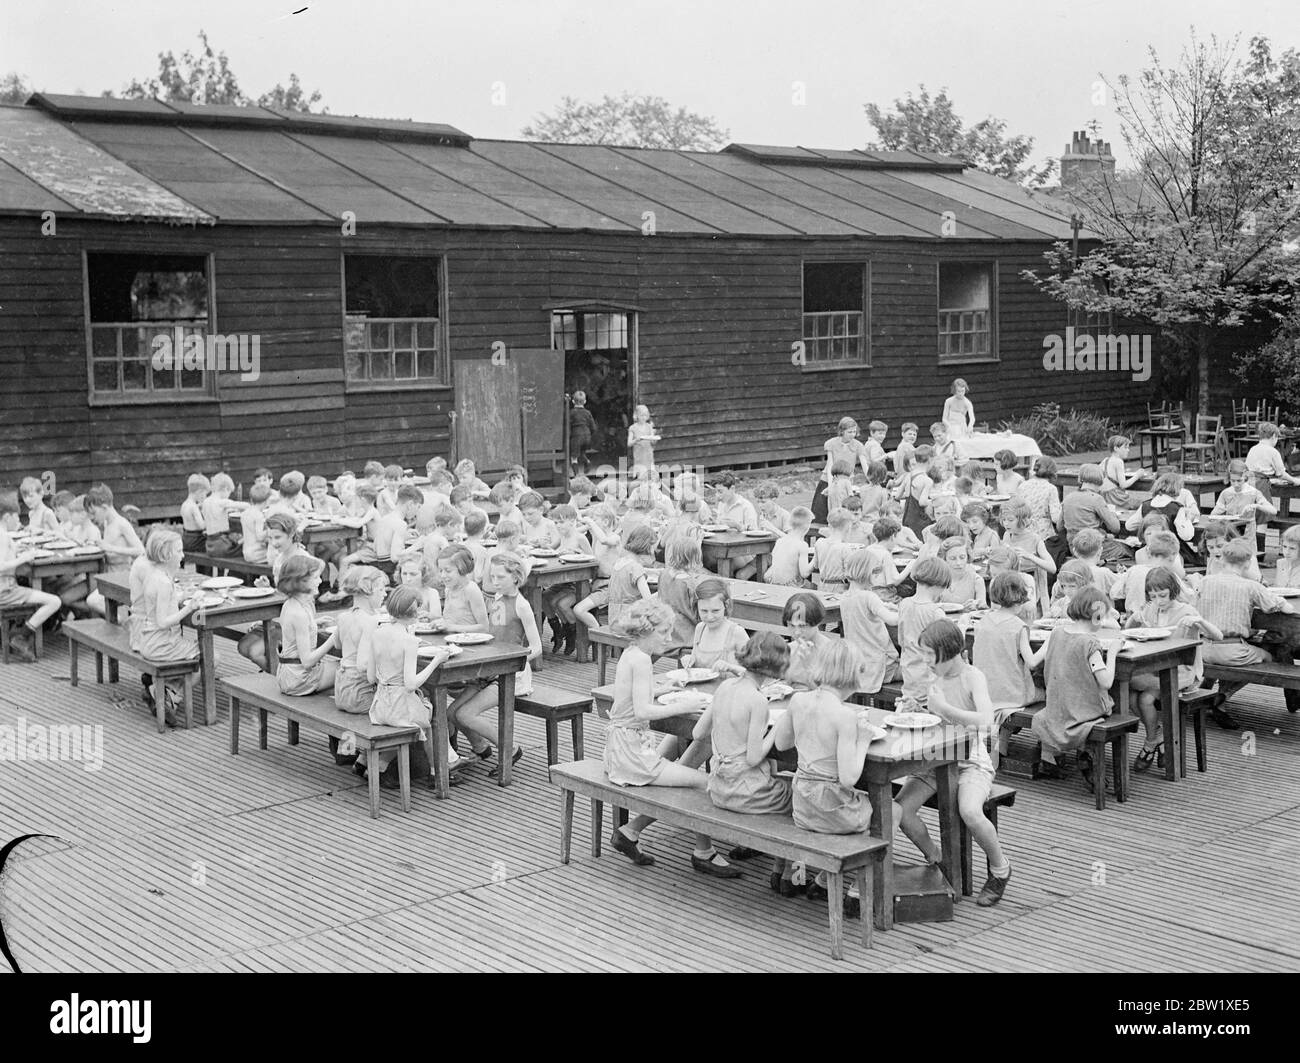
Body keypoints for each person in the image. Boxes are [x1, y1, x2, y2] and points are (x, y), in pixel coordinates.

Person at [603, 600, 740, 878]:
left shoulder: (631, 653)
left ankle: (630, 832)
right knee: (703, 783)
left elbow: (631, 696)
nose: (669, 638)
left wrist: (662, 687)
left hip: (623, 746)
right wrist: (685, 707)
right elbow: (642, 711)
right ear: (645, 631)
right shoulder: (641, 660)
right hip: (633, 755)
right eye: (664, 632)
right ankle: (703, 852)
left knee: (694, 757)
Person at [895, 620, 1013, 906]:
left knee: (970, 811)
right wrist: (919, 710)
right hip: (936, 761)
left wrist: (943, 709)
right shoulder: (935, 678)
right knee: (899, 810)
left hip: (970, 760)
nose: (924, 661)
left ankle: (1000, 868)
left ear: (948, 651)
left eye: (928, 654)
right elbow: (939, 721)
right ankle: (938, 859)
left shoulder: (972, 676)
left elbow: (986, 721)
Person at [771, 641, 875, 917]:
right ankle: (854, 888)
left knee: (818, 819)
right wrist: (863, 742)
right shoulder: (845, 716)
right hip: (832, 809)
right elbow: (849, 778)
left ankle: (801, 877)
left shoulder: (799, 700)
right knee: (892, 810)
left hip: (803, 804)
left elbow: (781, 744)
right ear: (852, 676)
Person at [693, 633, 795, 892]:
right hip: (747, 792)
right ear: (775, 669)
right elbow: (753, 757)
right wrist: (776, 728)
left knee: (783, 782)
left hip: (718, 787)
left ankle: (783, 866)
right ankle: (786, 871)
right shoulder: (758, 700)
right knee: (800, 795)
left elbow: (697, 734)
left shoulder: (725, 687)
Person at [366, 585, 464, 789]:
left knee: (425, 711)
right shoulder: (409, 641)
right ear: (414, 612)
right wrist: (436, 660)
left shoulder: (378, 633)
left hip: (380, 705)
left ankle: (382, 767)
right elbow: (411, 684)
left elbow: (370, 676)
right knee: (433, 715)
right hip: (402, 707)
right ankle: (440, 767)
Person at [1124, 567, 1221, 772]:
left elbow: (1217, 635)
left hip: (1183, 671)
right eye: (1153, 596)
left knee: (1130, 682)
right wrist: (1135, 617)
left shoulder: (1185, 610)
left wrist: (1199, 621)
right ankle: (1156, 737)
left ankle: (1152, 742)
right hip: (1158, 670)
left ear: (1173, 590)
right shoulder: (1151, 608)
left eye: (1162, 595)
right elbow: (1129, 630)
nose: (1158, 600)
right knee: (1136, 697)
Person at [450, 554, 540, 775]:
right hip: (490, 669)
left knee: (465, 714)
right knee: (451, 713)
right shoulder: (498, 598)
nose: (495, 581)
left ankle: (510, 748)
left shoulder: (522, 605)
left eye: (501, 577)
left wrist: (511, 663)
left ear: (516, 578)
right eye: (492, 576)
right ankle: (481, 747)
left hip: (511, 674)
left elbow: (536, 647)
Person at [1195, 539, 1298, 725]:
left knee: (1248, 648)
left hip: (1202, 648)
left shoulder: (1205, 581)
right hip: (1231, 650)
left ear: (1222, 560)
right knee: (1268, 657)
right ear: (1248, 563)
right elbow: (1285, 608)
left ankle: (1210, 693)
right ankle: (1223, 696)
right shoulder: (1251, 586)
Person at [1032, 587, 1121, 790]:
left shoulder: (1056, 633)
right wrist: (1113, 652)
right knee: (1110, 699)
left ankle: (1078, 753)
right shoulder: (1089, 643)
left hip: (1057, 705)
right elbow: (1105, 681)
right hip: (1083, 710)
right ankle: (1088, 752)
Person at [973, 571, 1047, 761]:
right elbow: (1031, 662)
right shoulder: (1018, 626)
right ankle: (1048, 750)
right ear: (1019, 600)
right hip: (1013, 695)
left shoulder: (982, 621)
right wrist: (1048, 643)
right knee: (1049, 693)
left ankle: (1002, 746)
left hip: (984, 691)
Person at [131, 529, 202, 726]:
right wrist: (190, 607)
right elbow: (162, 621)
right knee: (211, 657)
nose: (183, 555)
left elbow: (159, 605)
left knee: (197, 655)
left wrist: (179, 598)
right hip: (161, 643)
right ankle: (173, 694)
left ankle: (165, 690)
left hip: (148, 639)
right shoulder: (163, 582)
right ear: (166, 555)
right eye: (179, 551)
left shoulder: (154, 575)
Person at [331, 565, 386, 763]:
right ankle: (374, 762)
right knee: (404, 703)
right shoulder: (370, 621)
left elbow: (337, 644)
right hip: (359, 692)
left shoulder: (344, 616)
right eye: (381, 589)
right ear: (368, 590)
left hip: (342, 688)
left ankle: (348, 754)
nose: (385, 593)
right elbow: (363, 665)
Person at [0, 494, 63, 662]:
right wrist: (24, 558)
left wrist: (17, 549)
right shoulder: (3, 536)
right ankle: (21, 636)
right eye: (16, 517)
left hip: (6, 588)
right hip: (5, 591)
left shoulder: (4, 536)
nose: (18, 522)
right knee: (54, 601)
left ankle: (19, 634)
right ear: (7, 517)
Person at [276, 554, 339, 696]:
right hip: (299, 679)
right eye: (316, 577)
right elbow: (307, 661)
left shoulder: (291, 603)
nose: (321, 581)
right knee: (349, 669)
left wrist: (314, 623)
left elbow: (292, 629)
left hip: (288, 673)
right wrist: (333, 637)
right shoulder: (299, 614)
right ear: (301, 581)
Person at [841, 550, 900, 696]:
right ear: (867, 572)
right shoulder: (869, 596)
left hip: (858, 666)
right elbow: (892, 620)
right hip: (880, 667)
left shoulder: (845, 597)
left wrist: (884, 606)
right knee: (921, 671)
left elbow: (862, 614)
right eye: (876, 572)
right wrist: (906, 611)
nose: (878, 577)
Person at [897, 558, 951, 710]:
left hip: (909, 675)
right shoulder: (935, 612)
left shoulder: (904, 604)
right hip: (930, 679)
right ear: (939, 584)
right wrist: (963, 626)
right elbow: (949, 648)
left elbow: (901, 640)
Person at [999, 497, 1056, 617]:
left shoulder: (1035, 539)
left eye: (1010, 520)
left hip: (1032, 592)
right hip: (1011, 589)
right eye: (1004, 520)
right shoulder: (1007, 535)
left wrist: (1030, 556)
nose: (1006, 523)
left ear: (1022, 520)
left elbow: (1052, 568)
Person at [682, 579, 748, 675]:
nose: (709, 617)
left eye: (715, 611)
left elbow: (755, 672)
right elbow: (694, 659)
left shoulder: (736, 632)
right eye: (704, 611)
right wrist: (690, 660)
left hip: (729, 688)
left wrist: (731, 667)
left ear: (726, 605)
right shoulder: (700, 629)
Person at [1211, 459, 1276, 556]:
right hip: (1230, 534)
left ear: (1245, 478)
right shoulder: (1226, 493)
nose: (1236, 484)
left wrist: (1256, 505)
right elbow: (1214, 514)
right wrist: (1217, 517)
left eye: (1239, 481)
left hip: (1247, 536)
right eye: (1233, 481)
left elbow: (1273, 510)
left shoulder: (1253, 492)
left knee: (1248, 561)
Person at [813, 417, 871, 524]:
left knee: (843, 511)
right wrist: (830, 486)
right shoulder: (831, 444)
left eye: (854, 431)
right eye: (849, 432)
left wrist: (871, 479)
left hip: (846, 481)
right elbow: (830, 464)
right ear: (842, 431)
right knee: (821, 514)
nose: (852, 434)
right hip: (829, 480)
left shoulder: (858, 445)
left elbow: (864, 464)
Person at [656, 528, 707, 645]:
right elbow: (697, 614)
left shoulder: (664, 574)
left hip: (665, 628)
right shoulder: (690, 584)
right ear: (694, 558)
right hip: (686, 634)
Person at [782, 592, 839, 690]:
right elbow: (785, 681)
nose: (796, 632)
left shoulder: (831, 652)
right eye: (791, 625)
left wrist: (808, 665)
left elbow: (830, 694)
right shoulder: (790, 649)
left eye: (802, 626)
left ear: (816, 622)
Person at [1245, 422, 1300, 500]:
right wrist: (1294, 480)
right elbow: (1281, 474)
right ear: (1274, 436)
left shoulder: (1253, 449)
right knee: (1263, 509)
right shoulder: (1273, 451)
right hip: (1261, 486)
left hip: (1249, 484)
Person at [767, 506, 815, 587]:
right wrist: (816, 556)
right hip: (791, 586)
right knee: (816, 589)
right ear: (807, 525)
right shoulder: (802, 545)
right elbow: (805, 573)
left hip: (773, 583)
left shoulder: (780, 541)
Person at [937, 537, 987, 608]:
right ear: (944, 559)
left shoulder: (977, 580)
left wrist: (977, 605)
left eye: (962, 557)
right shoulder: (937, 580)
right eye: (953, 558)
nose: (958, 563)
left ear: (968, 557)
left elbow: (983, 610)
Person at [898, 445, 933, 538]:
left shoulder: (908, 475)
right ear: (930, 460)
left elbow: (898, 495)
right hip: (920, 522)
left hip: (907, 517)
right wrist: (931, 501)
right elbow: (922, 502)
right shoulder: (927, 480)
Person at [1100, 435, 1143, 508]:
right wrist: (1137, 476)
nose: (1128, 450)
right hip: (1115, 497)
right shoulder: (1118, 461)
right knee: (1143, 505)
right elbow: (1123, 485)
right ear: (1116, 448)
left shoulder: (1106, 460)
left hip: (1103, 496)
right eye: (1125, 447)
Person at [568, 391, 598, 475]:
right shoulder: (588, 413)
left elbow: (568, 426)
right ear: (585, 401)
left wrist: (569, 436)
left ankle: (576, 475)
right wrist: (589, 434)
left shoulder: (571, 412)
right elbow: (593, 427)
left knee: (574, 457)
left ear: (573, 401)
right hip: (587, 436)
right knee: (581, 452)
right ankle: (587, 462)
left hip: (576, 436)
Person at [627, 404, 659, 474]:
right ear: (636, 416)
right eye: (641, 415)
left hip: (649, 457)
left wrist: (655, 439)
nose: (643, 417)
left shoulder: (649, 427)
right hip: (639, 458)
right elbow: (629, 444)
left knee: (650, 477)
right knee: (642, 479)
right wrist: (636, 440)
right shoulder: (632, 428)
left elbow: (652, 442)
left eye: (645, 415)